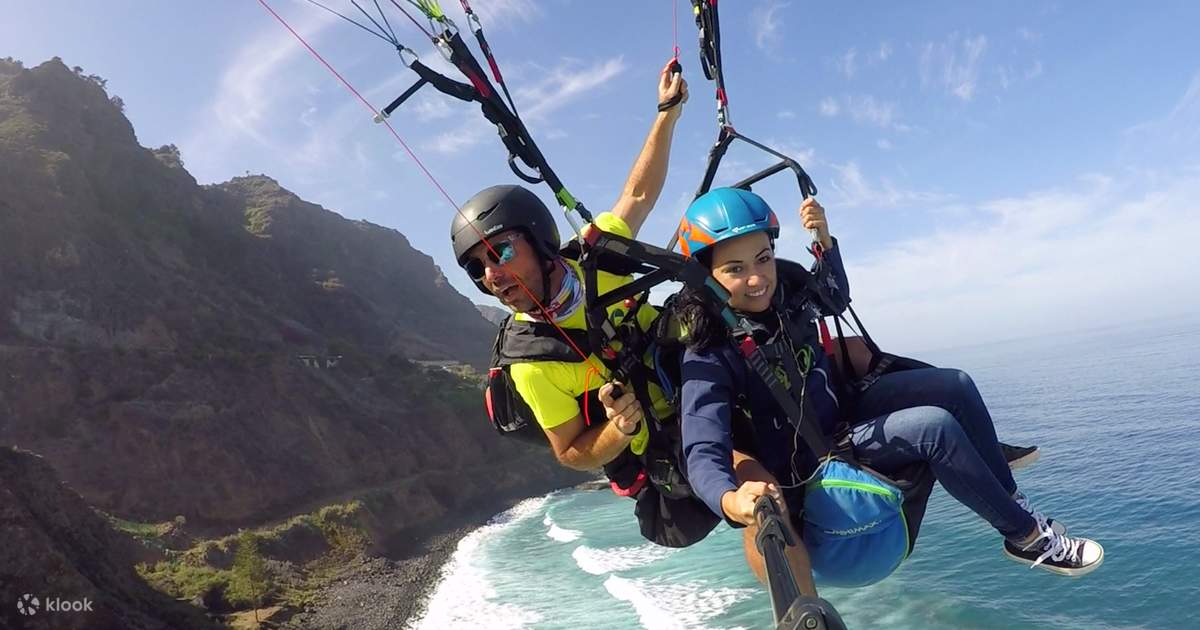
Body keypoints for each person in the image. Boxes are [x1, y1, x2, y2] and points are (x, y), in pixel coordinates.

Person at [674, 187, 1105, 591]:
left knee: (955, 385)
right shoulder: (708, 351)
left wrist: (824, 239)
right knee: (934, 428)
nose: (756, 279)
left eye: (763, 258)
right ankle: (1026, 537)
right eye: (735, 269)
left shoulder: (785, 293)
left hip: (842, 410)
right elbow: (702, 447)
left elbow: (835, 298)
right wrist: (730, 499)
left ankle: (1010, 497)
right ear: (706, 275)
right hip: (814, 455)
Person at [449, 59, 688, 470]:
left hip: (700, 380)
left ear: (539, 239)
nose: (491, 275)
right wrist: (619, 428)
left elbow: (638, 195)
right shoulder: (531, 363)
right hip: (668, 449)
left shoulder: (595, 255)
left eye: (500, 251)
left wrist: (667, 113)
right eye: (477, 268)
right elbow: (570, 452)